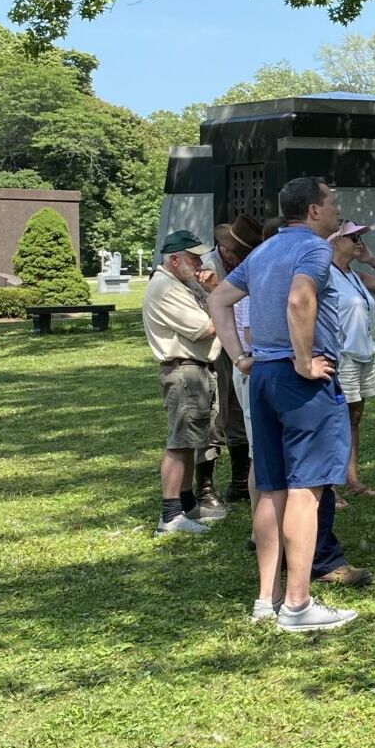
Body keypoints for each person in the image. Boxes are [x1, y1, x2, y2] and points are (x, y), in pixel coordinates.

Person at [208, 176, 358, 632]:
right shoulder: (313, 249)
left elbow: (218, 299)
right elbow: (299, 300)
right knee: (305, 490)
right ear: (313, 210)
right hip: (299, 381)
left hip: (263, 379)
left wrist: (239, 358)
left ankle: (265, 599)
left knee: (271, 488)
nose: (335, 209)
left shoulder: (262, 251)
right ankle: (297, 604)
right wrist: (305, 360)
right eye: (331, 202)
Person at [145, 229, 223, 536]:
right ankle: (170, 516)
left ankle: (188, 505)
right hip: (184, 371)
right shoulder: (167, 288)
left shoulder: (182, 283)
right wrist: (221, 301)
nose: (200, 263)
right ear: (174, 259)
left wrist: (213, 291)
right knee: (179, 443)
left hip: (196, 369)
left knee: (192, 440)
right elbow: (205, 328)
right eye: (193, 257)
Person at [326, 220, 375, 499]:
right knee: (336, 419)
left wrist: (373, 260)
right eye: (352, 237)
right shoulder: (325, 275)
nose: (359, 242)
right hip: (341, 356)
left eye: (360, 237)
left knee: (354, 417)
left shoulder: (355, 275)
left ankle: (352, 479)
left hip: (364, 354)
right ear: (334, 241)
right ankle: (328, 487)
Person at [201, 214, 263, 511]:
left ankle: (241, 482)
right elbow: (231, 313)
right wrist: (241, 357)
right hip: (229, 352)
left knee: (242, 415)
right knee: (225, 411)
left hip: (240, 354)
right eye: (225, 248)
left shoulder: (248, 269)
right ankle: (239, 485)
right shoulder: (210, 268)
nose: (228, 252)